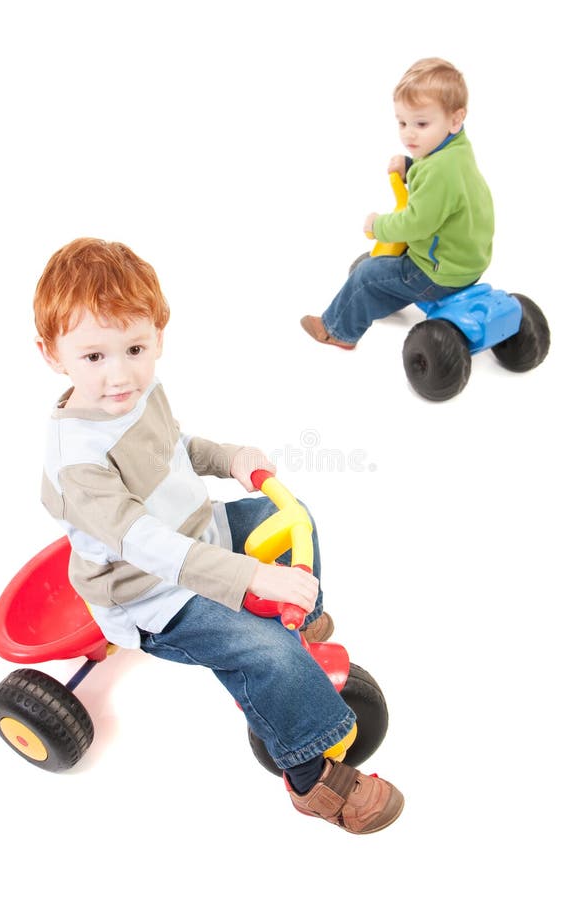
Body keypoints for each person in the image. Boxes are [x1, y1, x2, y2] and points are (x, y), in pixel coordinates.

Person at [33, 237, 404, 834]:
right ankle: (311, 779)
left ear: (158, 335)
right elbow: (147, 545)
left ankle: (302, 614)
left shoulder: (138, 392)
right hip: (153, 591)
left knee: (290, 516)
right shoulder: (77, 461)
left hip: (202, 533)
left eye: (134, 347)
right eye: (94, 357)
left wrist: (227, 457)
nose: (120, 373)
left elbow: (174, 447)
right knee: (266, 652)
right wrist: (249, 577)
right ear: (54, 355)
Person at [301, 57, 494, 349]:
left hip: (436, 272)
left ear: (455, 119)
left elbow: (416, 223)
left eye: (421, 123)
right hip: (468, 261)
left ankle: (336, 329)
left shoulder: (439, 171)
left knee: (366, 275)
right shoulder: (455, 150)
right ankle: (382, 297)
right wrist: (409, 165)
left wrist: (379, 226)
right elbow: (439, 188)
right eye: (402, 122)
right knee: (377, 269)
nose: (408, 133)